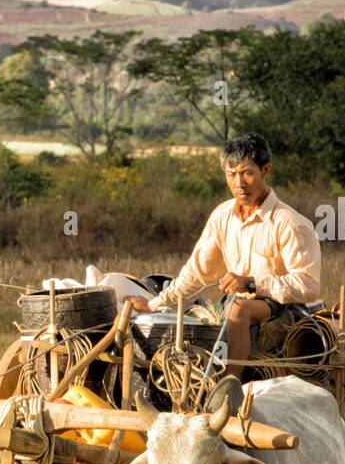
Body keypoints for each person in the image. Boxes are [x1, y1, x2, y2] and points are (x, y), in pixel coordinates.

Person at [130, 132, 321, 378]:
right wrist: (153, 304)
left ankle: (229, 383)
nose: (239, 183)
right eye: (231, 174)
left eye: (247, 173)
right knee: (196, 317)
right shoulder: (222, 216)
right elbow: (197, 271)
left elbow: (308, 286)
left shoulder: (290, 223)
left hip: (283, 307)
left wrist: (252, 282)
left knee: (238, 310)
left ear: (266, 170)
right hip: (233, 303)